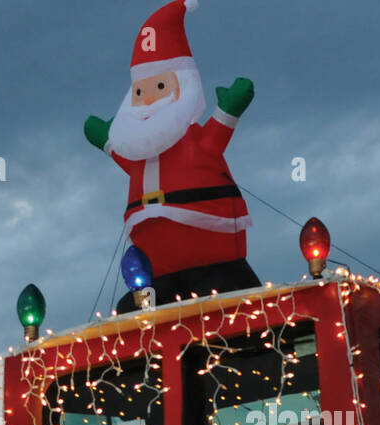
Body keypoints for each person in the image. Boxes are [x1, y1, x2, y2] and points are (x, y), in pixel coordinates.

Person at [83, 1, 260, 313]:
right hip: (157, 274)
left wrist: (228, 109)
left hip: (215, 264)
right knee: (139, 310)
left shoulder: (195, 141)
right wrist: (108, 141)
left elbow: (215, 136)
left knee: (226, 295)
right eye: (140, 92)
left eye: (160, 86)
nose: (149, 98)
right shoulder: (136, 152)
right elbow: (124, 155)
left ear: (185, 87)